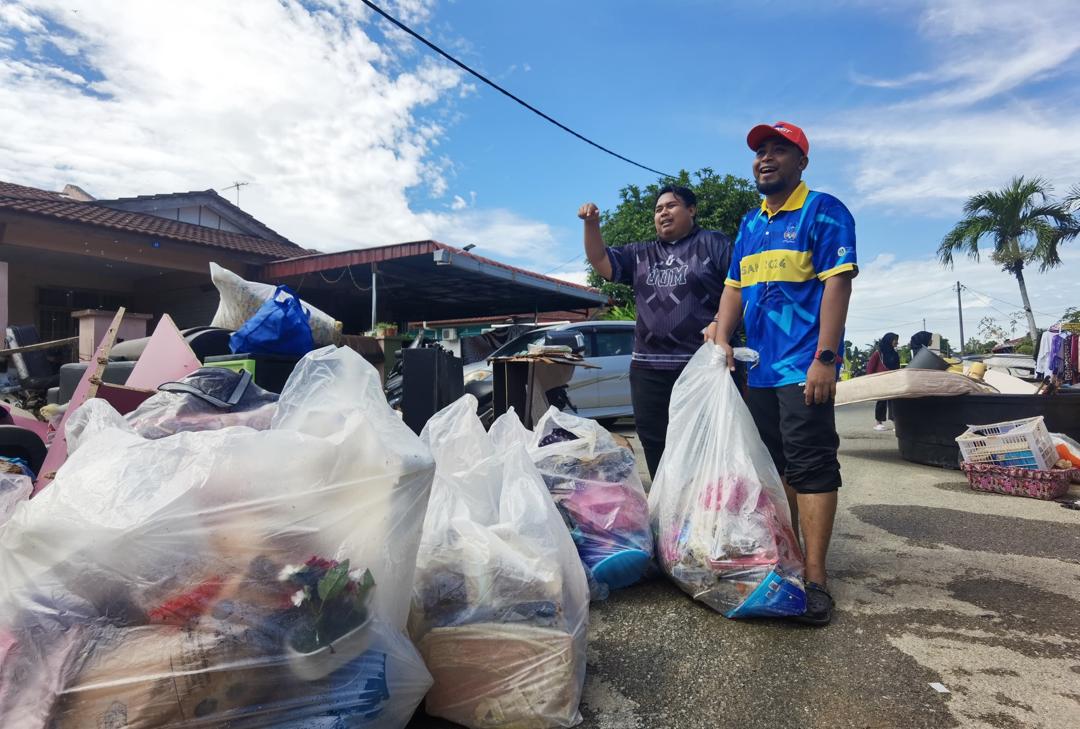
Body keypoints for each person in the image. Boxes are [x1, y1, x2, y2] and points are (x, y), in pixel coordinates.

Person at [707, 121, 857, 626]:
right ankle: (787, 559)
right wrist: (723, 336)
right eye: (759, 152)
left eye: (778, 151)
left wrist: (826, 358)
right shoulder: (750, 224)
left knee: (812, 465)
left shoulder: (825, 211)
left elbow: (837, 286)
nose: (765, 159)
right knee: (777, 468)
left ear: (802, 163)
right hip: (761, 373)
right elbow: (733, 289)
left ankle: (815, 579)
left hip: (804, 368)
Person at [579, 185, 732, 479]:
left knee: (707, 447)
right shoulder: (641, 254)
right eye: (658, 209)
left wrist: (720, 322)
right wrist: (591, 224)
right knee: (656, 444)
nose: (663, 212)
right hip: (649, 369)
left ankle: (709, 514)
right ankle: (670, 515)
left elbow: (738, 285)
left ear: (691, 210)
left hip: (700, 366)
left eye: (671, 206)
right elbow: (601, 261)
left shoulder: (714, 243)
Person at [866, 332, 900, 430]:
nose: (897, 342)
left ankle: (895, 422)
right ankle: (878, 422)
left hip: (893, 380)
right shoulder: (878, 353)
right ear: (889, 340)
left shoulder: (895, 353)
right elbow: (870, 366)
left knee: (894, 402)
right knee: (882, 401)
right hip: (881, 380)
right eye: (895, 340)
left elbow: (897, 367)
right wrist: (870, 380)